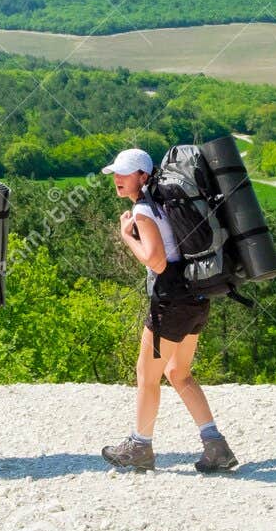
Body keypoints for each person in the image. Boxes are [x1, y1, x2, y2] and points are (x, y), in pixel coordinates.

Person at [98, 147, 239, 474]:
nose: (118, 178)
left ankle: (140, 446)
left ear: (143, 176)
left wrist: (126, 236)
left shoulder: (145, 210)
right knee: (178, 373)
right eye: (116, 173)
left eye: (125, 173)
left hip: (171, 302)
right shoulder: (167, 203)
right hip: (195, 296)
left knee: (147, 376)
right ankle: (216, 446)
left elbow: (157, 261)